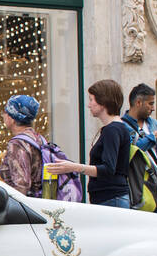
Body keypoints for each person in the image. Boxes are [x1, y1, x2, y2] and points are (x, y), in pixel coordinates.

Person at [48, 79, 130, 207]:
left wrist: (73, 167)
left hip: (111, 198)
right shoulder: (116, 128)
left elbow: (108, 169)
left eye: (92, 99)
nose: (89, 104)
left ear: (103, 102)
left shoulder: (112, 130)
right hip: (111, 197)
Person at [0, 94, 45, 196]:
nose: (3, 115)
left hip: (29, 207)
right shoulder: (39, 139)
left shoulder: (18, 143)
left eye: (5, 112)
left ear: (12, 118)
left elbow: (21, 185)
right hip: (42, 202)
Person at [121, 83, 157, 169]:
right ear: (138, 102)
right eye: (150, 104)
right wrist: (153, 137)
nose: (153, 108)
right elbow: (132, 152)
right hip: (136, 180)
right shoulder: (122, 126)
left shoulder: (156, 124)